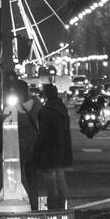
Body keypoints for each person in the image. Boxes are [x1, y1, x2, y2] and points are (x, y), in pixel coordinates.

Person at [34, 83, 73, 211]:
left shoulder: (46, 111)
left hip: (49, 152)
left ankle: (52, 209)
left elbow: (44, 134)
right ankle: (62, 207)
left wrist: (37, 149)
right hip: (62, 150)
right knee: (61, 180)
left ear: (46, 95)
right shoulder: (62, 109)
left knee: (51, 184)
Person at [11, 79, 42, 210]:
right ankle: (34, 205)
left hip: (16, 147)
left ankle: (20, 204)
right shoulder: (36, 104)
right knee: (32, 179)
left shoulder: (11, 107)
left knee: (16, 178)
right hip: (34, 146)